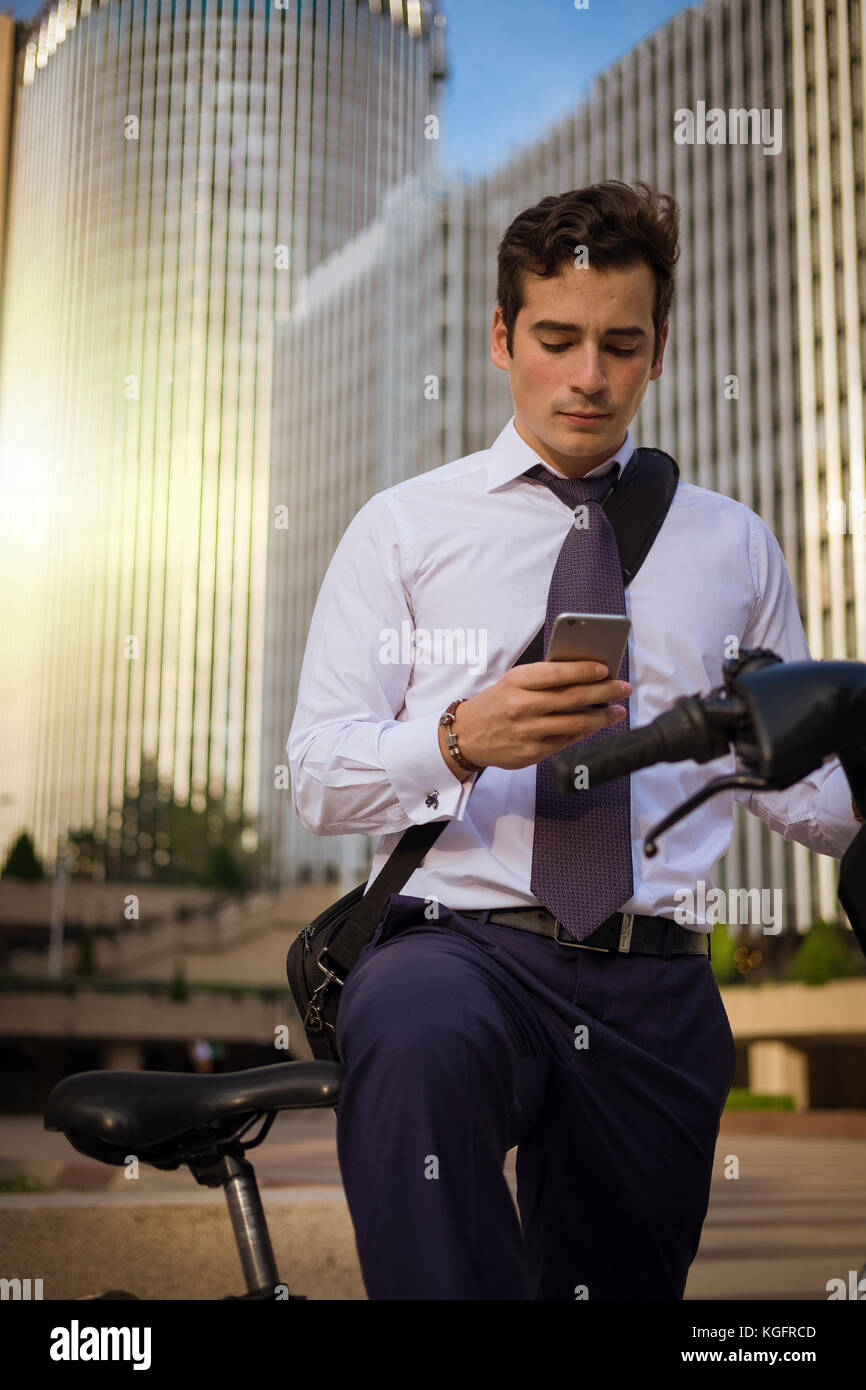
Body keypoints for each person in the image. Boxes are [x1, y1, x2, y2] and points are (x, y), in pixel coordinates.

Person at [287, 180, 863, 1300]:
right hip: (457, 943)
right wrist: (459, 736)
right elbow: (316, 775)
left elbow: (795, 791)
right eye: (556, 339)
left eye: (619, 343)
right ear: (502, 339)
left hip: (653, 983)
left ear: (656, 349)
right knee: (413, 1036)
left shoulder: (735, 546)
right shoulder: (404, 527)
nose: (588, 376)